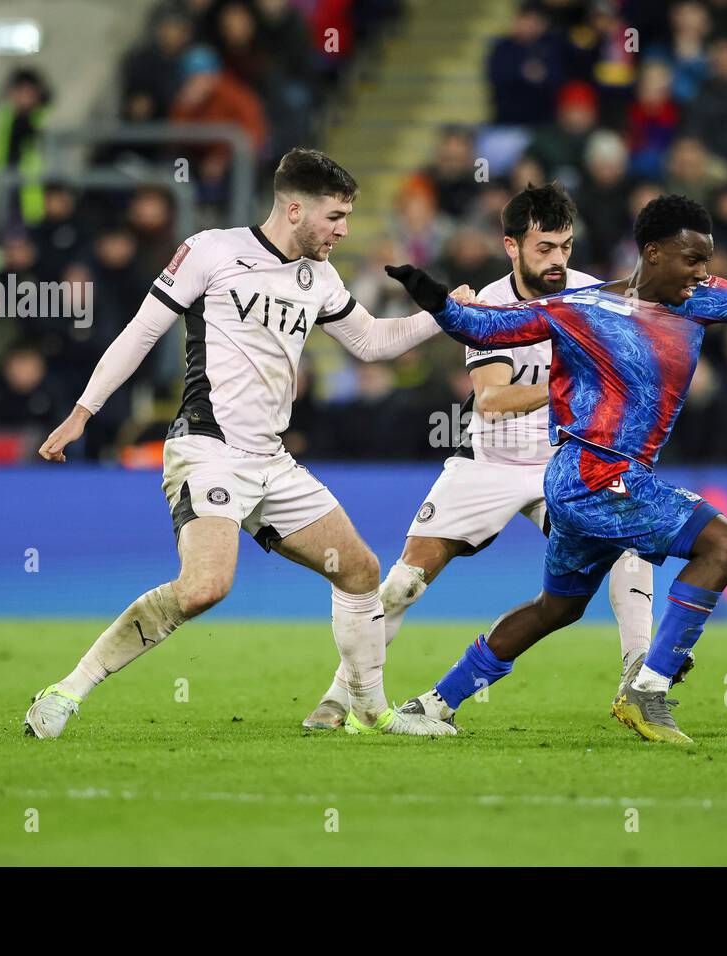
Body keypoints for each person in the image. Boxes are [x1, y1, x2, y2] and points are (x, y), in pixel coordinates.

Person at [384, 195, 727, 744]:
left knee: (557, 608)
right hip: (594, 475)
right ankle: (647, 688)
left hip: (582, 481)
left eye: (707, 261)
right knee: (723, 545)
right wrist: (436, 300)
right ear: (652, 254)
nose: (702, 273)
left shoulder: (699, 300)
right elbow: (486, 329)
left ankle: (434, 703)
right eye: (691, 260)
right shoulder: (582, 308)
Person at [24, 149, 460, 740]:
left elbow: (372, 343)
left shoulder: (320, 277)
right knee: (205, 587)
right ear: (296, 207)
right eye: (335, 217)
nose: (344, 230)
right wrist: (83, 411)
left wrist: (446, 311)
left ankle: (368, 712)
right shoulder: (213, 250)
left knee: (359, 570)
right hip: (207, 445)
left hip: (269, 459)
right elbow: (142, 331)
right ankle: (65, 692)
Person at [302, 183, 657, 730]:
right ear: (511, 246)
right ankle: (340, 696)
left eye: (565, 246)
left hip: (566, 461)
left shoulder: (595, 297)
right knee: (401, 585)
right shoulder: (487, 307)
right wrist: (575, 378)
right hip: (489, 464)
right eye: (544, 248)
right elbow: (492, 402)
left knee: (632, 548)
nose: (558, 260)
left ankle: (638, 681)